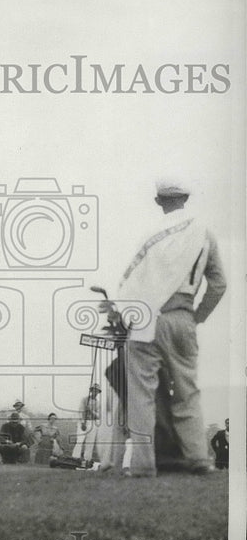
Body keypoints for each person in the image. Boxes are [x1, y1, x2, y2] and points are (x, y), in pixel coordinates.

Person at [116, 179, 226, 477]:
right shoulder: (204, 233)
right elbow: (219, 284)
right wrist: (197, 316)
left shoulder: (149, 235)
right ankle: (198, 458)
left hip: (147, 319)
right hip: (183, 316)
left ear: (158, 201)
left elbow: (131, 283)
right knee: (187, 390)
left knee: (142, 393)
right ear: (186, 198)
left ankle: (143, 465)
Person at [72, 384, 102, 463]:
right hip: (83, 421)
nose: (95, 392)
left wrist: (91, 411)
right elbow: (80, 411)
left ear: (98, 392)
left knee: (90, 442)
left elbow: (98, 416)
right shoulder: (84, 399)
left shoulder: (98, 403)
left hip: (92, 423)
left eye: (97, 391)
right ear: (91, 390)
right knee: (80, 440)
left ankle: (87, 460)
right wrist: (82, 422)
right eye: (94, 390)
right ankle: (75, 458)